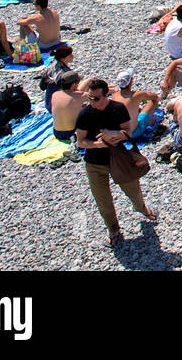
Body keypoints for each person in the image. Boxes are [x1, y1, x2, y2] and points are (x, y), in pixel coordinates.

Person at [75, 79, 158, 246]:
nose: (92, 101)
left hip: (119, 158)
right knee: (103, 199)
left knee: (133, 189)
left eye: (96, 98)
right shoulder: (85, 114)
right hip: (95, 162)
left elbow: (128, 132)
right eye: (90, 98)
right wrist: (98, 144)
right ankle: (113, 229)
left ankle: (141, 208)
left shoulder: (117, 109)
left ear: (107, 95)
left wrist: (115, 135)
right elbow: (81, 142)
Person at [112, 69, 160, 142]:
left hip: (119, 133)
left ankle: (146, 119)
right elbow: (155, 96)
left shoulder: (114, 96)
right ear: (130, 82)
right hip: (134, 133)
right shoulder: (137, 95)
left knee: (132, 109)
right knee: (153, 101)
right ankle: (149, 121)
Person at [49, 71, 87, 146]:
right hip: (72, 133)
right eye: (77, 83)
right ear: (73, 84)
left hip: (57, 133)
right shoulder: (80, 96)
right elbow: (97, 97)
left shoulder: (55, 94)